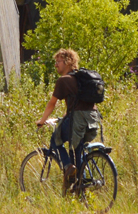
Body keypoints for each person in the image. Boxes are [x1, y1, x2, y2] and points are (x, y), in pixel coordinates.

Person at [34, 48, 101, 194]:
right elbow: (77, 104)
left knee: (55, 139)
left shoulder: (64, 80)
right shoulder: (81, 79)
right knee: (76, 149)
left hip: (77, 119)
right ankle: (79, 190)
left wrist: (42, 120)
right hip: (93, 118)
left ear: (68, 62)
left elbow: (52, 103)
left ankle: (68, 166)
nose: (56, 65)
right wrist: (64, 117)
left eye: (58, 62)